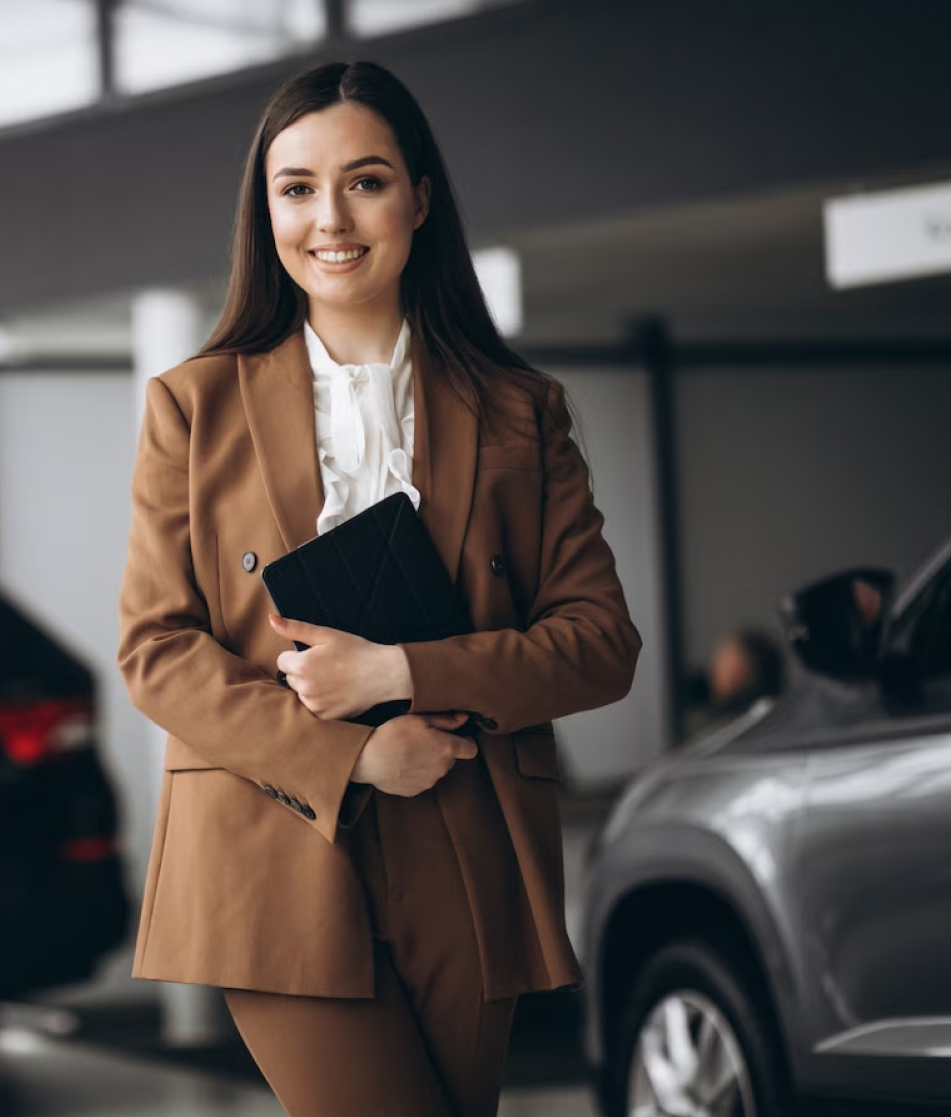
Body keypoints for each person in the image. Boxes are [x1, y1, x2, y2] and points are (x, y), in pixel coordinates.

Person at [117, 61, 640, 1116]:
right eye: (297, 188)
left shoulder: (519, 410)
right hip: (274, 837)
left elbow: (600, 643)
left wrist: (399, 670)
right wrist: (353, 748)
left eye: (365, 181)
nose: (330, 219)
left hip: (471, 832)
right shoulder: (193, 405)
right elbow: (156, 650)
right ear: (264, 210)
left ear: (420, 197)